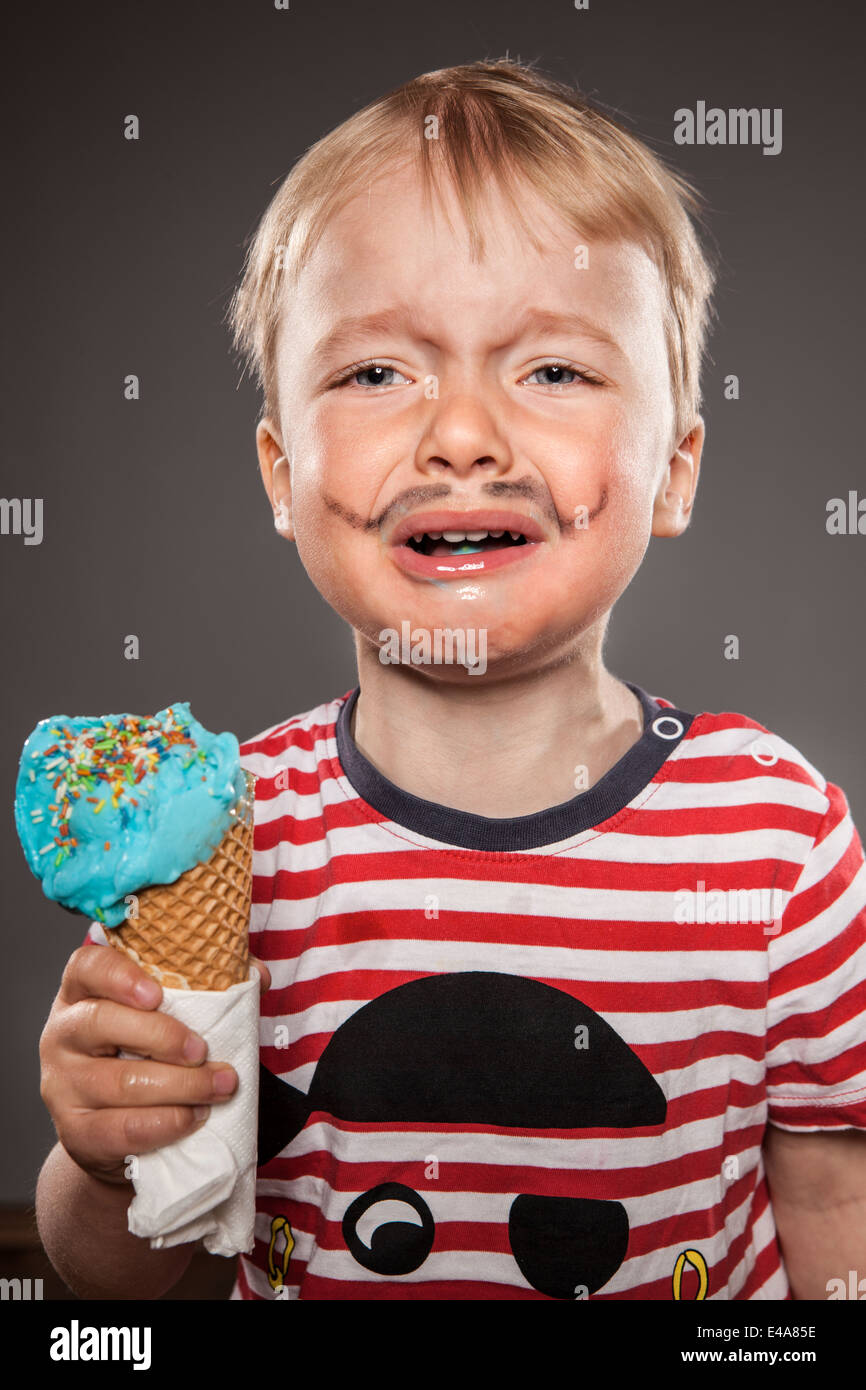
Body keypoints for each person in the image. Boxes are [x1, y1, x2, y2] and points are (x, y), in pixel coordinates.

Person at [36, 58, 866, 1301]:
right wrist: (104, 1165)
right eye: (377, 373)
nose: (462, 432)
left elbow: (832, 1205)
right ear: (278, 473)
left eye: (553, 370)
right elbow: (132, 1287)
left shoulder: (774, 837)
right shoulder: (216, 828)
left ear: (673, 469)